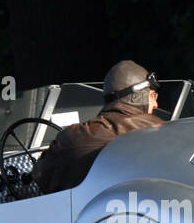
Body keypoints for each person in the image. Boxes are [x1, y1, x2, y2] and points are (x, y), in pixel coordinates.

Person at [30, 60, 165, 195]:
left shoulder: (71, 139)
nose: (156, 104)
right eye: (152, 96)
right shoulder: (164, 132)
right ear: (136, 97)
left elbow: (40, 177)